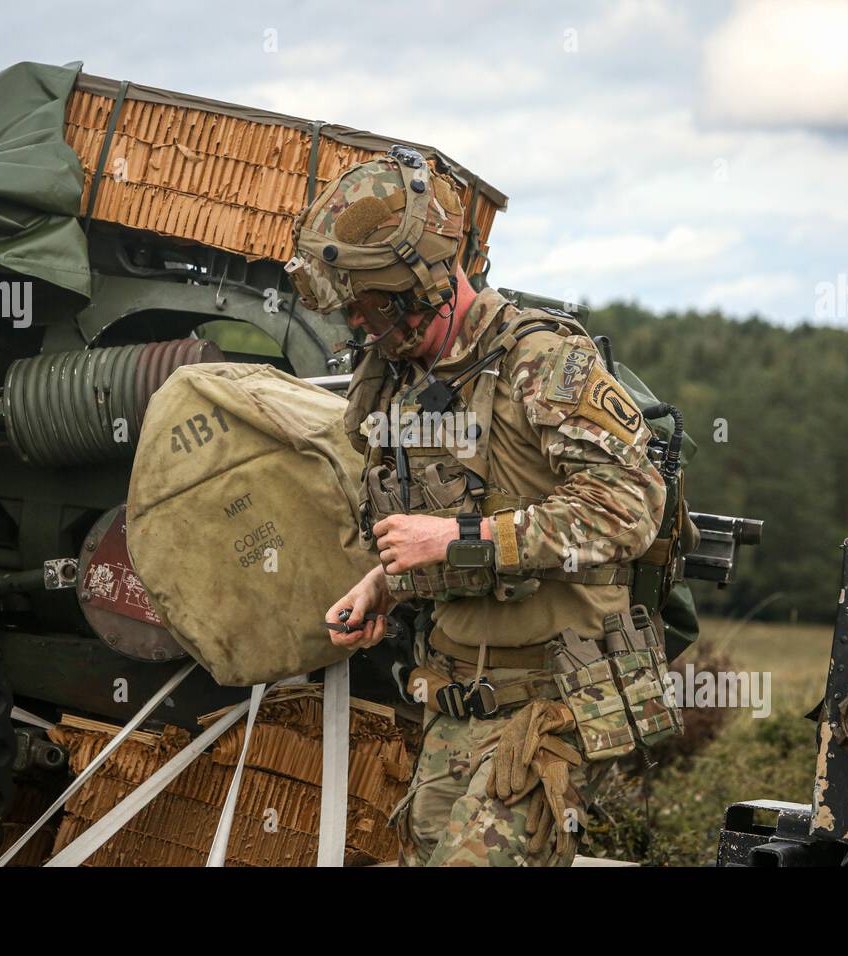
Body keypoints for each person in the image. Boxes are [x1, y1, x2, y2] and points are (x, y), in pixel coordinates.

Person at [286, 146, 676, 866]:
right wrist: (387, 582)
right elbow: (431, 523)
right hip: (454, 709)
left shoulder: (542, 362)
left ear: (422, 284)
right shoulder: (396, 379)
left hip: (550, 706)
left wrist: (460, 538)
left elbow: (630, 505)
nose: (359, 329)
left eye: (369, 308)